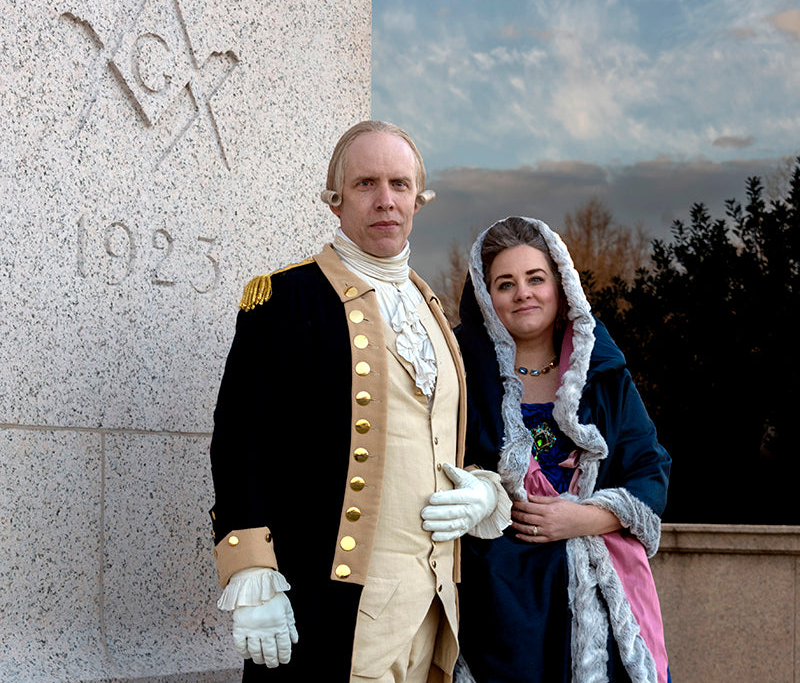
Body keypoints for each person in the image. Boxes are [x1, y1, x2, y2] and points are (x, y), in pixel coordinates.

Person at [209, 121, 512, 683]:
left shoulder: (435, 312)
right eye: (366, 183)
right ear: (335, 199)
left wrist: (483, 491)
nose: (385, 200)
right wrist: (250, 571)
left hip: (434, 611)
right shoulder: (285, 299)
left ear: (418, 199)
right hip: (336, 609)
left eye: (400, 184)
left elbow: (446, 441)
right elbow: (240, 442)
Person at [454, 216, 671, 683]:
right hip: (502, 599)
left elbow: (649, 468)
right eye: (505, 284)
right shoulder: (462, 378)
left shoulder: (604, 372)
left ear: (562, 285)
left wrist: (585, 517)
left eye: (536, 278)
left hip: (600, 596)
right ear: (486, 298)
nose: (523, 294)